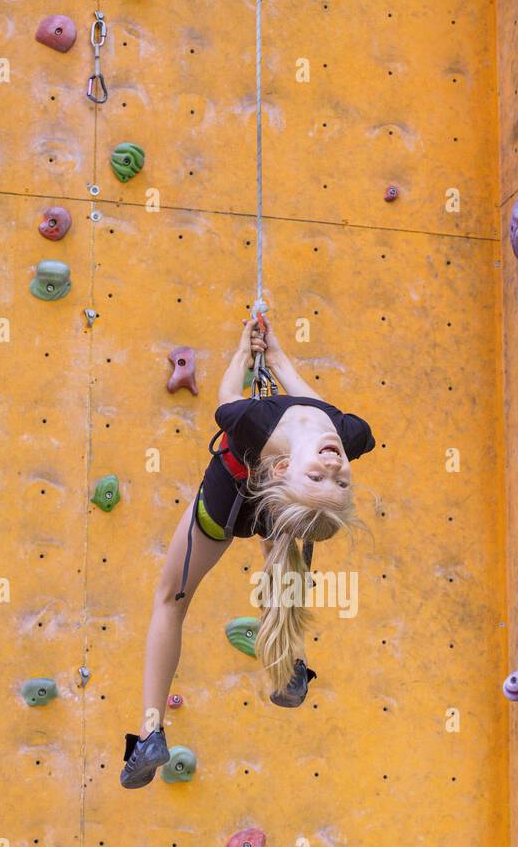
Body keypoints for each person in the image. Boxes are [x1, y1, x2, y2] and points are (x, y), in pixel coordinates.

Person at [120, 316, 376, 788]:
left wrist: (243, 352)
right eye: (339, 480)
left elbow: (227, 398)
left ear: (282, 466)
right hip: (271, 509)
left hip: (229, 501)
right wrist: (275, 356)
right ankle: (289, 664)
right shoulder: (348, 433)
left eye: (318, 476)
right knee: (284, 548)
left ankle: (150, 731)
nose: (333, 464)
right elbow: (319, 410)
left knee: (169, 600)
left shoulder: (252, 420)